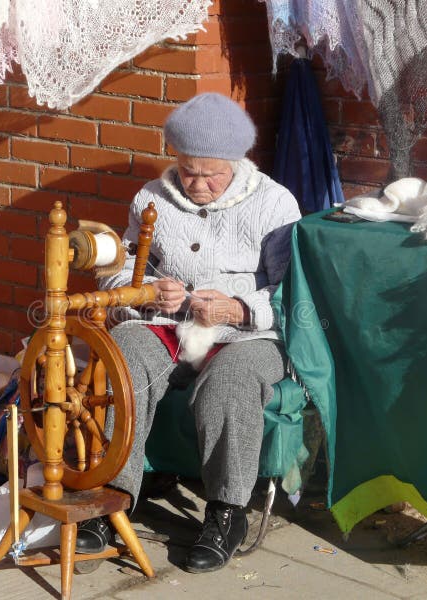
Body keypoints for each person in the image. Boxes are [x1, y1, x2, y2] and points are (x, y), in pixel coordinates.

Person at [77, 92, 301, 573]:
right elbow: (116, 275)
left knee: (230, 382)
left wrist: (239, 309)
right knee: (124, 358)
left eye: (211, 174)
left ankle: (226, 513)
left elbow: (294, 292)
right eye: (186, 170)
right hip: (167, 326)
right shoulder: (151, 199)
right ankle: (110, 501)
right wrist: (150, 292)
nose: (197, 183)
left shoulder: (274, 203)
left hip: (249, 335)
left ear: (238, 163)